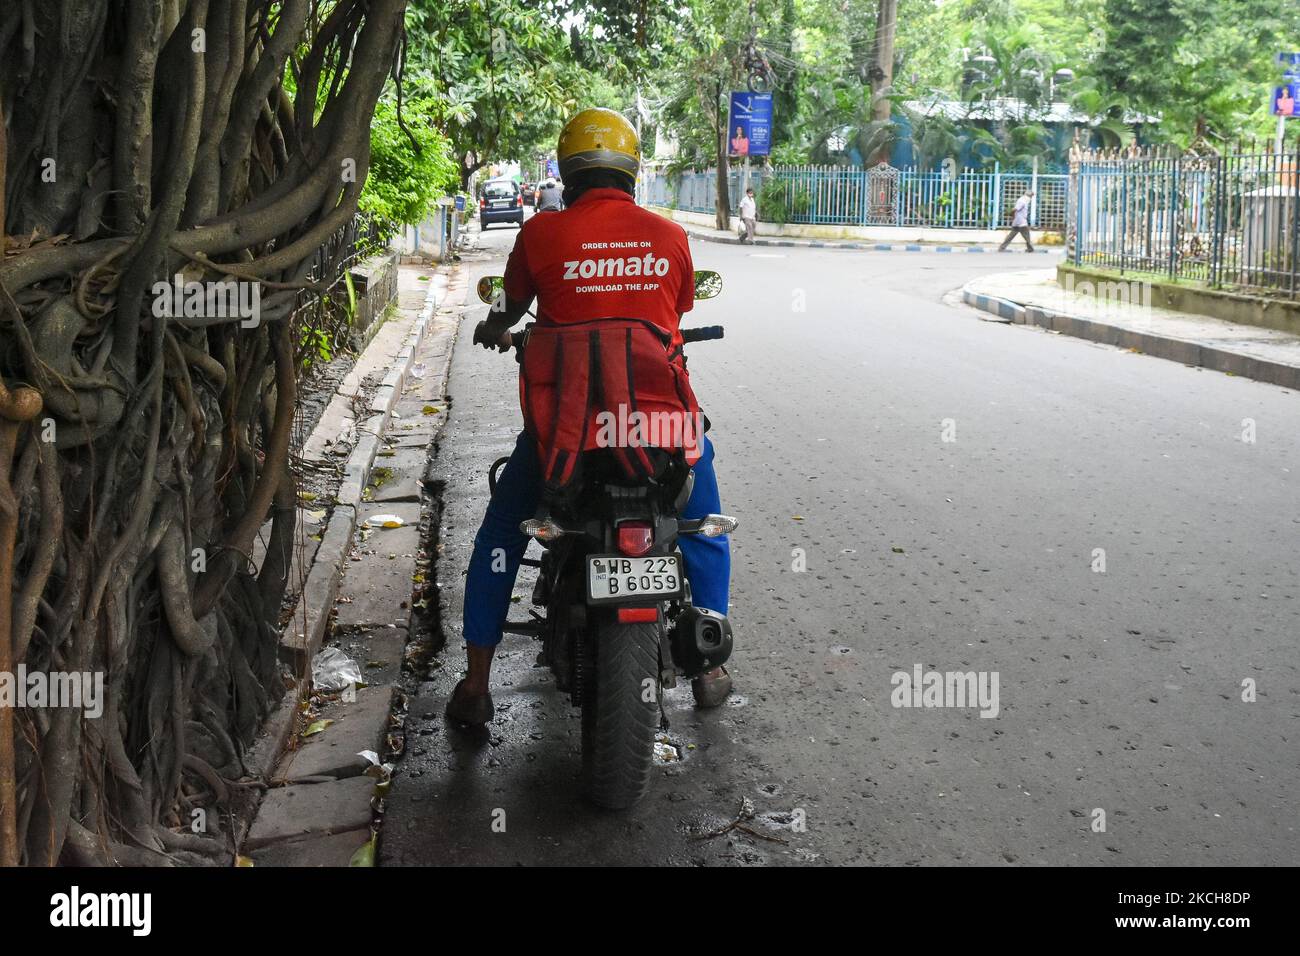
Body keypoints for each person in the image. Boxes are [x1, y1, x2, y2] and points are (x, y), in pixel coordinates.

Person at [446, 107, 734, 726]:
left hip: (567, 435)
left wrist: (497, 327)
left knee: (500, 535)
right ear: (630, 171)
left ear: (567, 171)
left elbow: (510, 303)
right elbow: (675, 311)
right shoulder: (667, 235)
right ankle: (709, 666)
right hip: (660, 429)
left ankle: (474, 687)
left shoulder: (540, 235)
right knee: (703, 521)